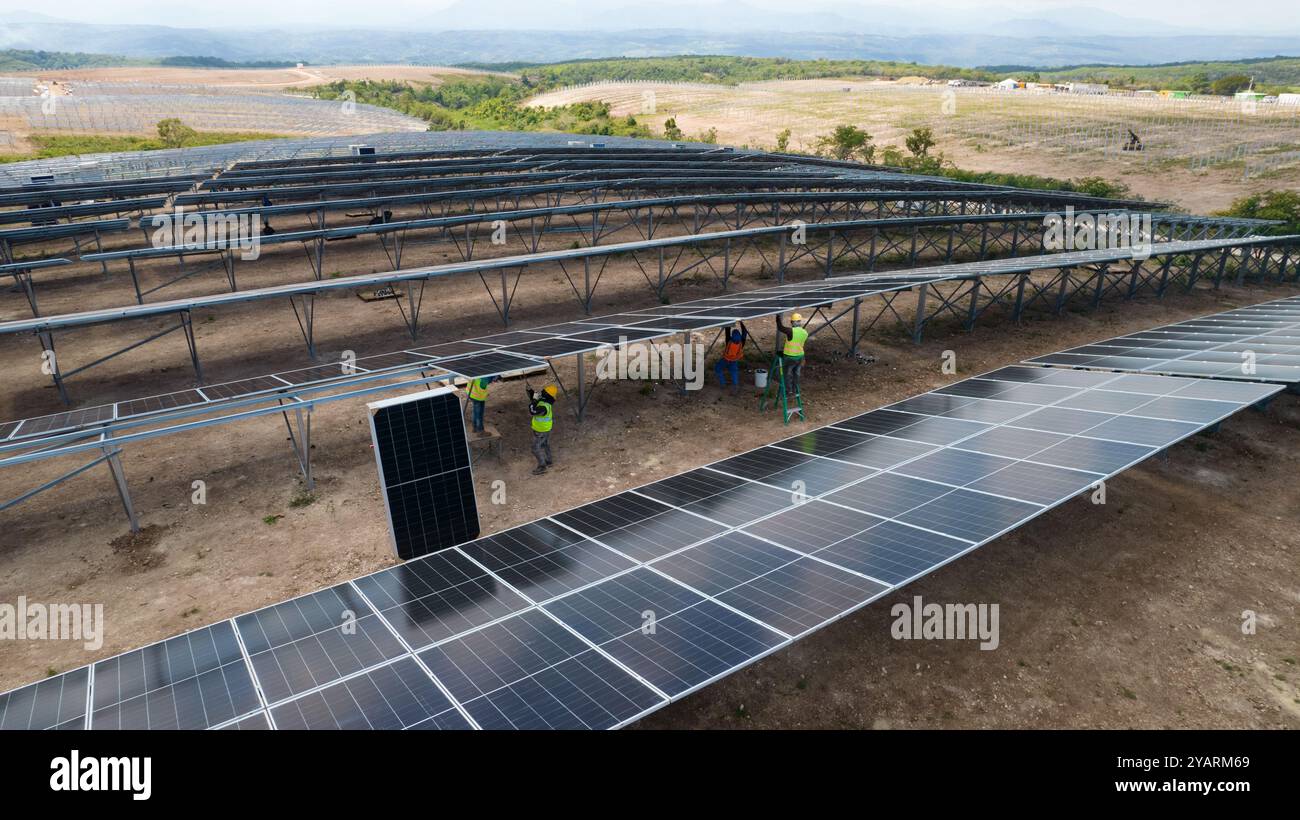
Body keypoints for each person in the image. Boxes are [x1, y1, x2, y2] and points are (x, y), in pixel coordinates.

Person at [527, 384, 558, 475]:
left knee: (535, 448)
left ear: (546, 395)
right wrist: (530, 390)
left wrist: (535, 400)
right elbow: (534, 398)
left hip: (541, 431)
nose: (541, 393)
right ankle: (549, 461)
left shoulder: (544, 407)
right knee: (545, 444)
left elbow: (532, 410)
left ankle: (542, 466)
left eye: (543, 392)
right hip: (546, 429)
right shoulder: (545, 402)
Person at [775, 312, 808, 398]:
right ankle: (794, 389)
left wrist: (777, 318)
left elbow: (780, 327)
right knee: (796, 373)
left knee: (786, 374)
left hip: (790, 357)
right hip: (800, 356)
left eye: (792, 322)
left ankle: (788, 391)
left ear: (792, 322)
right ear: (800, 322)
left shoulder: (790, 331)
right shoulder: (805, 332)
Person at [713, 322, 748, 393]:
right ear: (740, 337)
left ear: (732, 336)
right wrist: (741, 322)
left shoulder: (729, 341)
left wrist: (729, 321)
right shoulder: (742, 342)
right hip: (734, 360)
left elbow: (727, 330)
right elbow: (745, 332)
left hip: (725, 360)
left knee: (717, 368)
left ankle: (723, 383)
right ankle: (735, 386)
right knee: (734, 372)